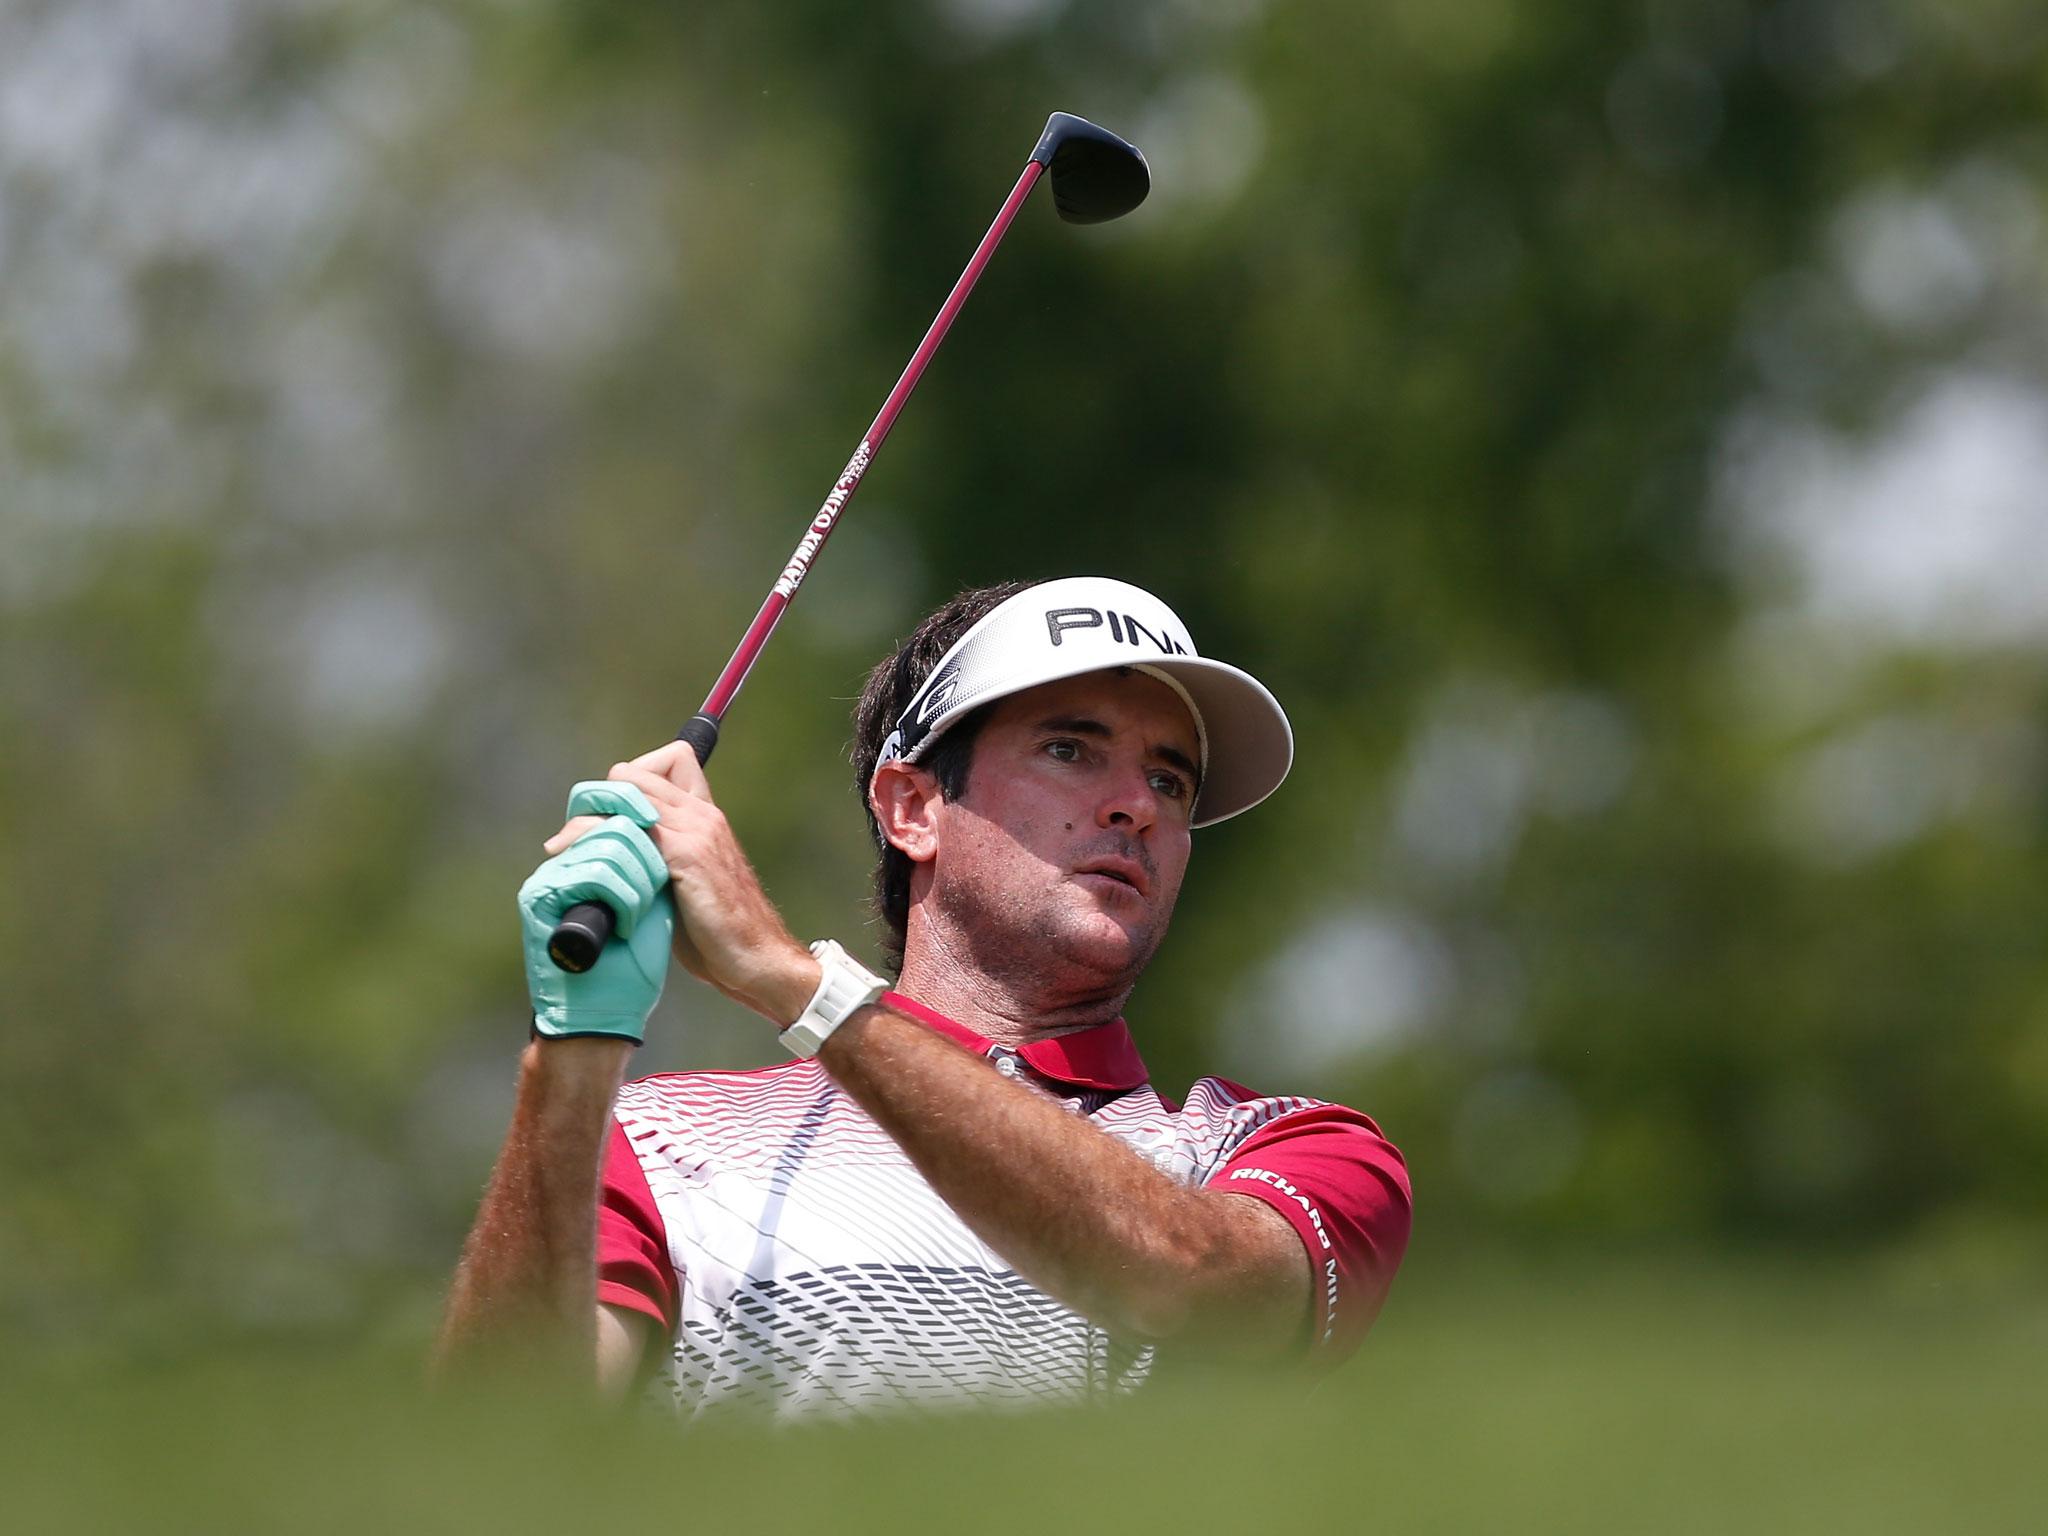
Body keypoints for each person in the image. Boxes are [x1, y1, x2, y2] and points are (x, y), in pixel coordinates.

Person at [437, 575, 1411, 1418]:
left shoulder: (1281, 1145)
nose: (1137, 804)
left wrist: (799, 988)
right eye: (1072, 750)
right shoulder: (656, 1139)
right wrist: (570, 1059)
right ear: (911, 809)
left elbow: (1194, 1280)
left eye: (1170, 777)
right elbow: (503, 1457)